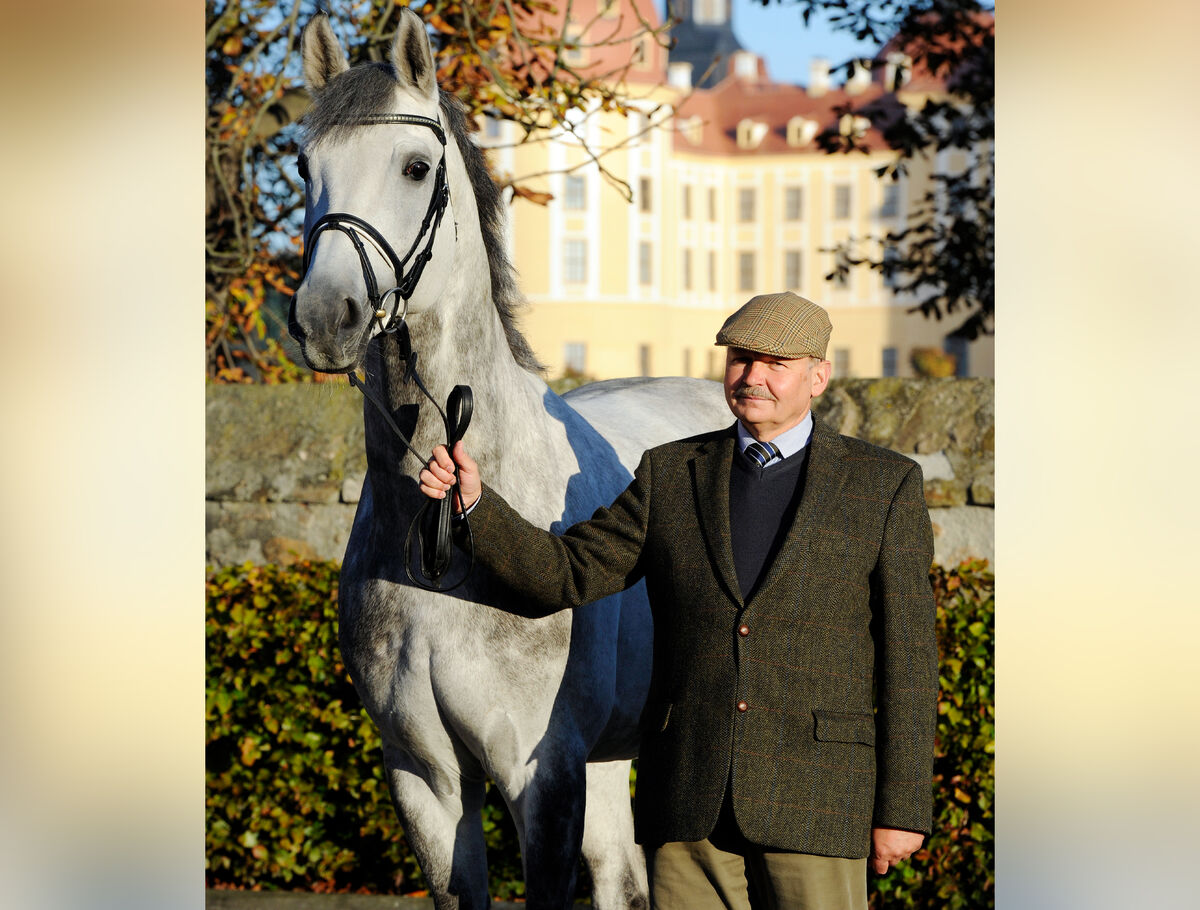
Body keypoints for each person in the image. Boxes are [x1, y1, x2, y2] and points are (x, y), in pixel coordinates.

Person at [419, 292, 937, 910]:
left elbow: (909, 662)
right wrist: (478, 505)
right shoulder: (670, 473)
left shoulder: (883, 483)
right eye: (741, 359)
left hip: (818, 805)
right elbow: (571, 571)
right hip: (688, 803)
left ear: (817, 376)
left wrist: (902, 808)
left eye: (777, 363)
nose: (753, 378)